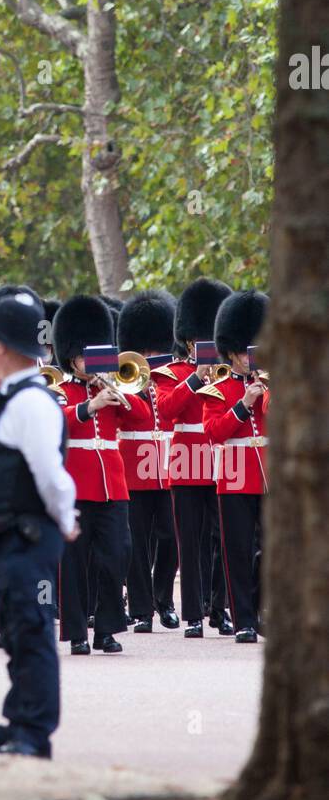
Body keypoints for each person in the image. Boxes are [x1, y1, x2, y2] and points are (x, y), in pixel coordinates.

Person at [0, 292, 78, 758]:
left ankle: (35, 732)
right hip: (5, 535)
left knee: (32, 631)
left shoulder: (31, 402)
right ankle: (17, 718)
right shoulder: (8, 396)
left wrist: (66, 519)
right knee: (17, 634)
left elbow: (49, 471)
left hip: (28, 534)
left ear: (2, 345)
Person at [54, 295, 155, 654]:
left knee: (117, 556)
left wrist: (118, 392)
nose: (87, 361)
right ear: (70, 356)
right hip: (76, 487)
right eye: (82, 355)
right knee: (74, 562)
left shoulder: (111, 388)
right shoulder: (59, 390)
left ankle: (107, 629)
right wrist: (87, 406)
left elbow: (142, 416)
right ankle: (78, 633)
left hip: (113, 486)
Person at [155, 277, 234, 638]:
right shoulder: (171, 374)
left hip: (219, 460)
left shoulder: (229, 374)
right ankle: (193, 615)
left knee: (223, 540)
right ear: (189, 341)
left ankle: (219, 608)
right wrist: (195, 380)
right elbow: (168, 411)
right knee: (190, 541)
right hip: (187, 460)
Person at [200, 290, 269, 644]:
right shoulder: (218, 390)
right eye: (243, 351)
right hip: (235, 475)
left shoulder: (276, 384)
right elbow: (214, 432)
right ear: (230, 352)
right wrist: (244, 403)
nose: (248, 357)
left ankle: (261, 610)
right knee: (237, 551)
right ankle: (243, 619)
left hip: (271, 476)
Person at [116, 290, 180, 632]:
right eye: (145, 350)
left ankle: (164, 599)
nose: (150, 357)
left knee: (170, 537)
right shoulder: (122, 377)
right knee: (136, 542)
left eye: (155, 350)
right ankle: (142, 609)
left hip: (168, 464)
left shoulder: (172, 377)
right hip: (133, 466)